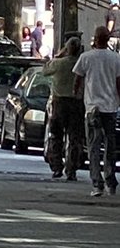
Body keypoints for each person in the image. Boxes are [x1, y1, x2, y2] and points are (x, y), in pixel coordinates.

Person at [74, 26, 120, 197]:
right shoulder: (116, 58)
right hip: (110, 107)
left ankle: (97, 183)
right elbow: (119, 83)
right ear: (107, 40)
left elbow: (77, 79)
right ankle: (110, 181)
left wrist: (77, 95)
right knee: (110, 145)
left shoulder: (86, 57)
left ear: (95, 39)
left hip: (92, 107)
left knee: (93, 146)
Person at [43, 37, 84, 181]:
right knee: (74, 138)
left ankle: (56, 167)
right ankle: (71, 169)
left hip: (59, 102)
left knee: (56, 135)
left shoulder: (58, 63)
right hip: (76, 103)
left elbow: (45, 70)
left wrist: (58, 55)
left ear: (67, 49)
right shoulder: (81, 63)